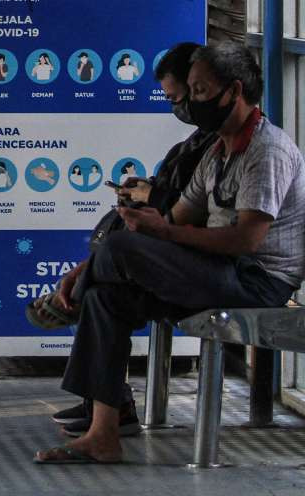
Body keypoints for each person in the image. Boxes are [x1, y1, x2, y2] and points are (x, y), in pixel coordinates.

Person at [35, 41, 305, 464]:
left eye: (199, 92)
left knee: (122, 249)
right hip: (216, 270)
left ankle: (68, 302)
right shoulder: (217, 151)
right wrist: (102, 256)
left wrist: (161, 235)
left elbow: (246, 240)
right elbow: (177, 216)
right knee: (107, 295)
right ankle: (104, 433)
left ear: (233, 91)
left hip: (256, 281)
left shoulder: (266, 151)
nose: (193, 104)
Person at [33, 42, 217, 437]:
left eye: (181, 97)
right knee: (103, 294)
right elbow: (177, 207)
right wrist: (147, 196)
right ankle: (109, 410)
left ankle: (77, 292)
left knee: (108, 265)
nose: (180, 107)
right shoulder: (196, 144)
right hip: (173, 252)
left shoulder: (235, 148)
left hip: (201, 264)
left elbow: (206, 218)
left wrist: (153, 199)